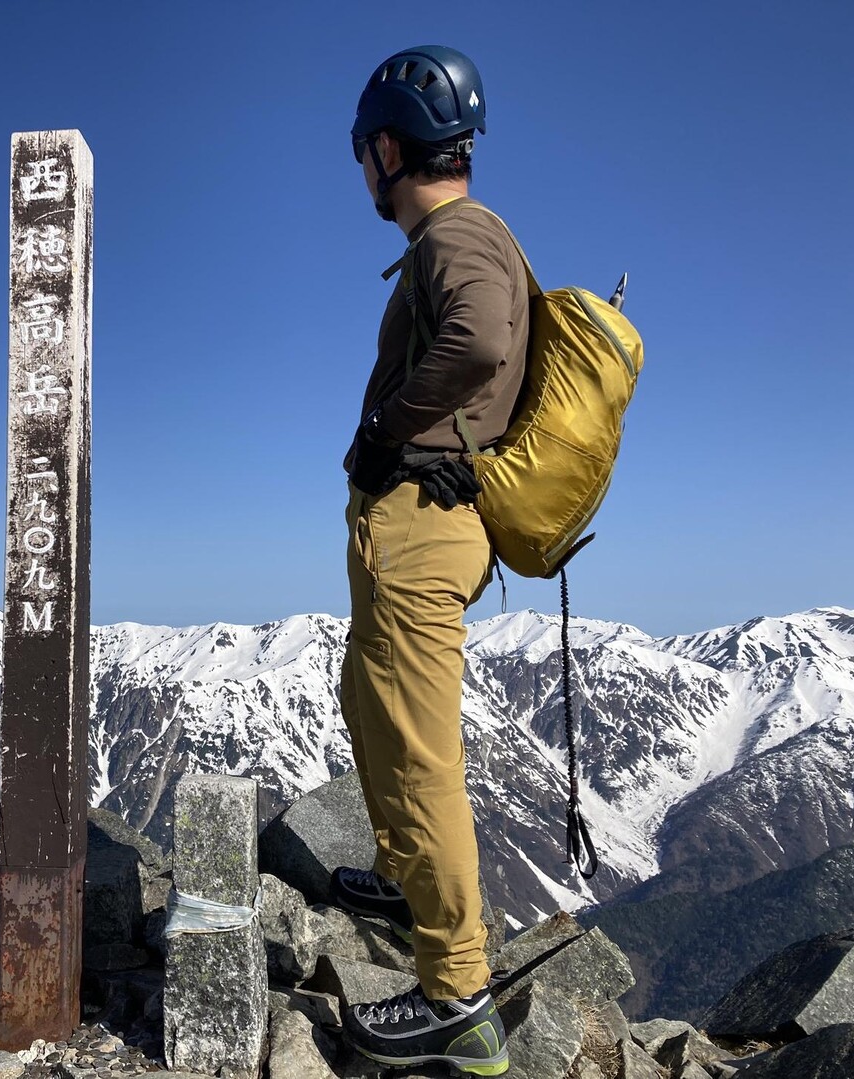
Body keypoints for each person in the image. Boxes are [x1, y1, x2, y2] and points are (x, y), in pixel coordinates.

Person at [331, 44, 527, 1075]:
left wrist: (389, 435)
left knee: (415, 746)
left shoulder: (459, 237)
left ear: (386, 147)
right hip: (409, 523)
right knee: (367, 696)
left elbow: (481, 342)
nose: (360, 171)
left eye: (362, 152)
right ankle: (408, 881)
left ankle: (458, 995)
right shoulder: (458, 238)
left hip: (421, 525)